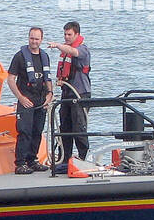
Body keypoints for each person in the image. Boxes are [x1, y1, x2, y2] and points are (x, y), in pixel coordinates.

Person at [6, 26, 53, 174]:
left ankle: (32, 160)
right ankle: (20, 163)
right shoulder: (19, 56)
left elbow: (48, 78)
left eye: (37, 39)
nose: (34, 41)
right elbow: (10, 79)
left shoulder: (44, 56)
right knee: (24, 131)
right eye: (32, 38)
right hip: (26, 99)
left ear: (41, 40)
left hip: (41, 100)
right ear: (28, 38)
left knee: (37, 131)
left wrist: (50, 94)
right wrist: (20, 97)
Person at [48, 20, 92, 170]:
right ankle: (64, 159)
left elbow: (74, 52)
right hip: (66, 93)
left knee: (79, 127)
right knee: (64, 127)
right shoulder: (66, 51)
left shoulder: (83, 49)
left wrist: (59, 45)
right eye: (65, 34)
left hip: (79, 94)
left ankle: (83, 157)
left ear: (77, 35)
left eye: (69, 34)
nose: (66, 37)